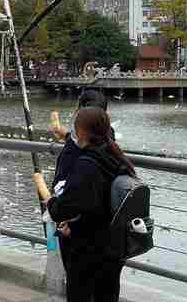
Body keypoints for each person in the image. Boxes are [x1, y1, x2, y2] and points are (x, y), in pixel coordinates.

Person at [46, 106, 136, 302]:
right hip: (114, 244)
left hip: (90, 248)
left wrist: (51, 202)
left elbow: (64, 209)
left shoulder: (87, 164)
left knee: (80, 293)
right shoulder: (116, 157)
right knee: (107, 293)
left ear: (80, 132)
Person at [49, 89, 114, 277]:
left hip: (83, 237)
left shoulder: (85, 160)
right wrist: (69, 136)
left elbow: (67, 196)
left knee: (80, 287)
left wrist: (53, 207)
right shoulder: (112, 148)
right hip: (109, 237)